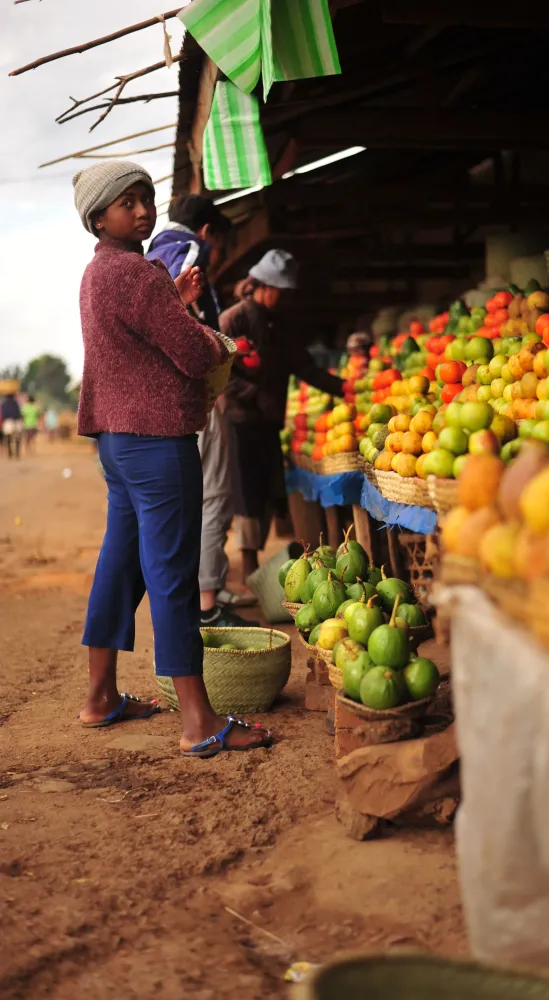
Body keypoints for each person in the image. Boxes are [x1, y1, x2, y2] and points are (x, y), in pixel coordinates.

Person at [72, 160, 271, 757]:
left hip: (118, 443)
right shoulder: (137, 273)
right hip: (157, 443)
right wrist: (216, 339)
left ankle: (101, 697)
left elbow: (142, 341)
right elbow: (188, 353)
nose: (142, 210)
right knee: (172, 575)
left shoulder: (97, 273)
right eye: (127, 203)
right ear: (98, 216)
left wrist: (174, 303)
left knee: (123, 565)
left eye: (145, 199)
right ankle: (198, 720)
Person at [147, 195, 257, 629]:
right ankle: (207, 601)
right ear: (208, 231)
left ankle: (200, 592)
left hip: (166, 396)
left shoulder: (153, 251)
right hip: (194, 389)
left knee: (188, 496)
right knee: (214, 493)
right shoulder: (189, 252)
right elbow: (175, 319)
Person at [220, 249, 346, 583]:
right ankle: (248, 569)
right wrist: (255, 395)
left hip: (269, 420)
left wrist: (343, 387)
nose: (284, 297)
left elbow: (302, 365)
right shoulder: (234, 319)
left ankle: (265, 569)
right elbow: (220, 374)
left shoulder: (281, 324)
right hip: (240, 419)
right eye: (281, 291)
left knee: (268, 491)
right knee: (247, 493)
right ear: (264, 285)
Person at [2, 394, 23, 459]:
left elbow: (3, 414)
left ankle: (10, 452)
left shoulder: (4, 403)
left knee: (8, 438)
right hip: (16, 421)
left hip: (8, 422)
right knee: (18, 438)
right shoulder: (16, 403)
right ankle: (17, 452)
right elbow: (19, 413)